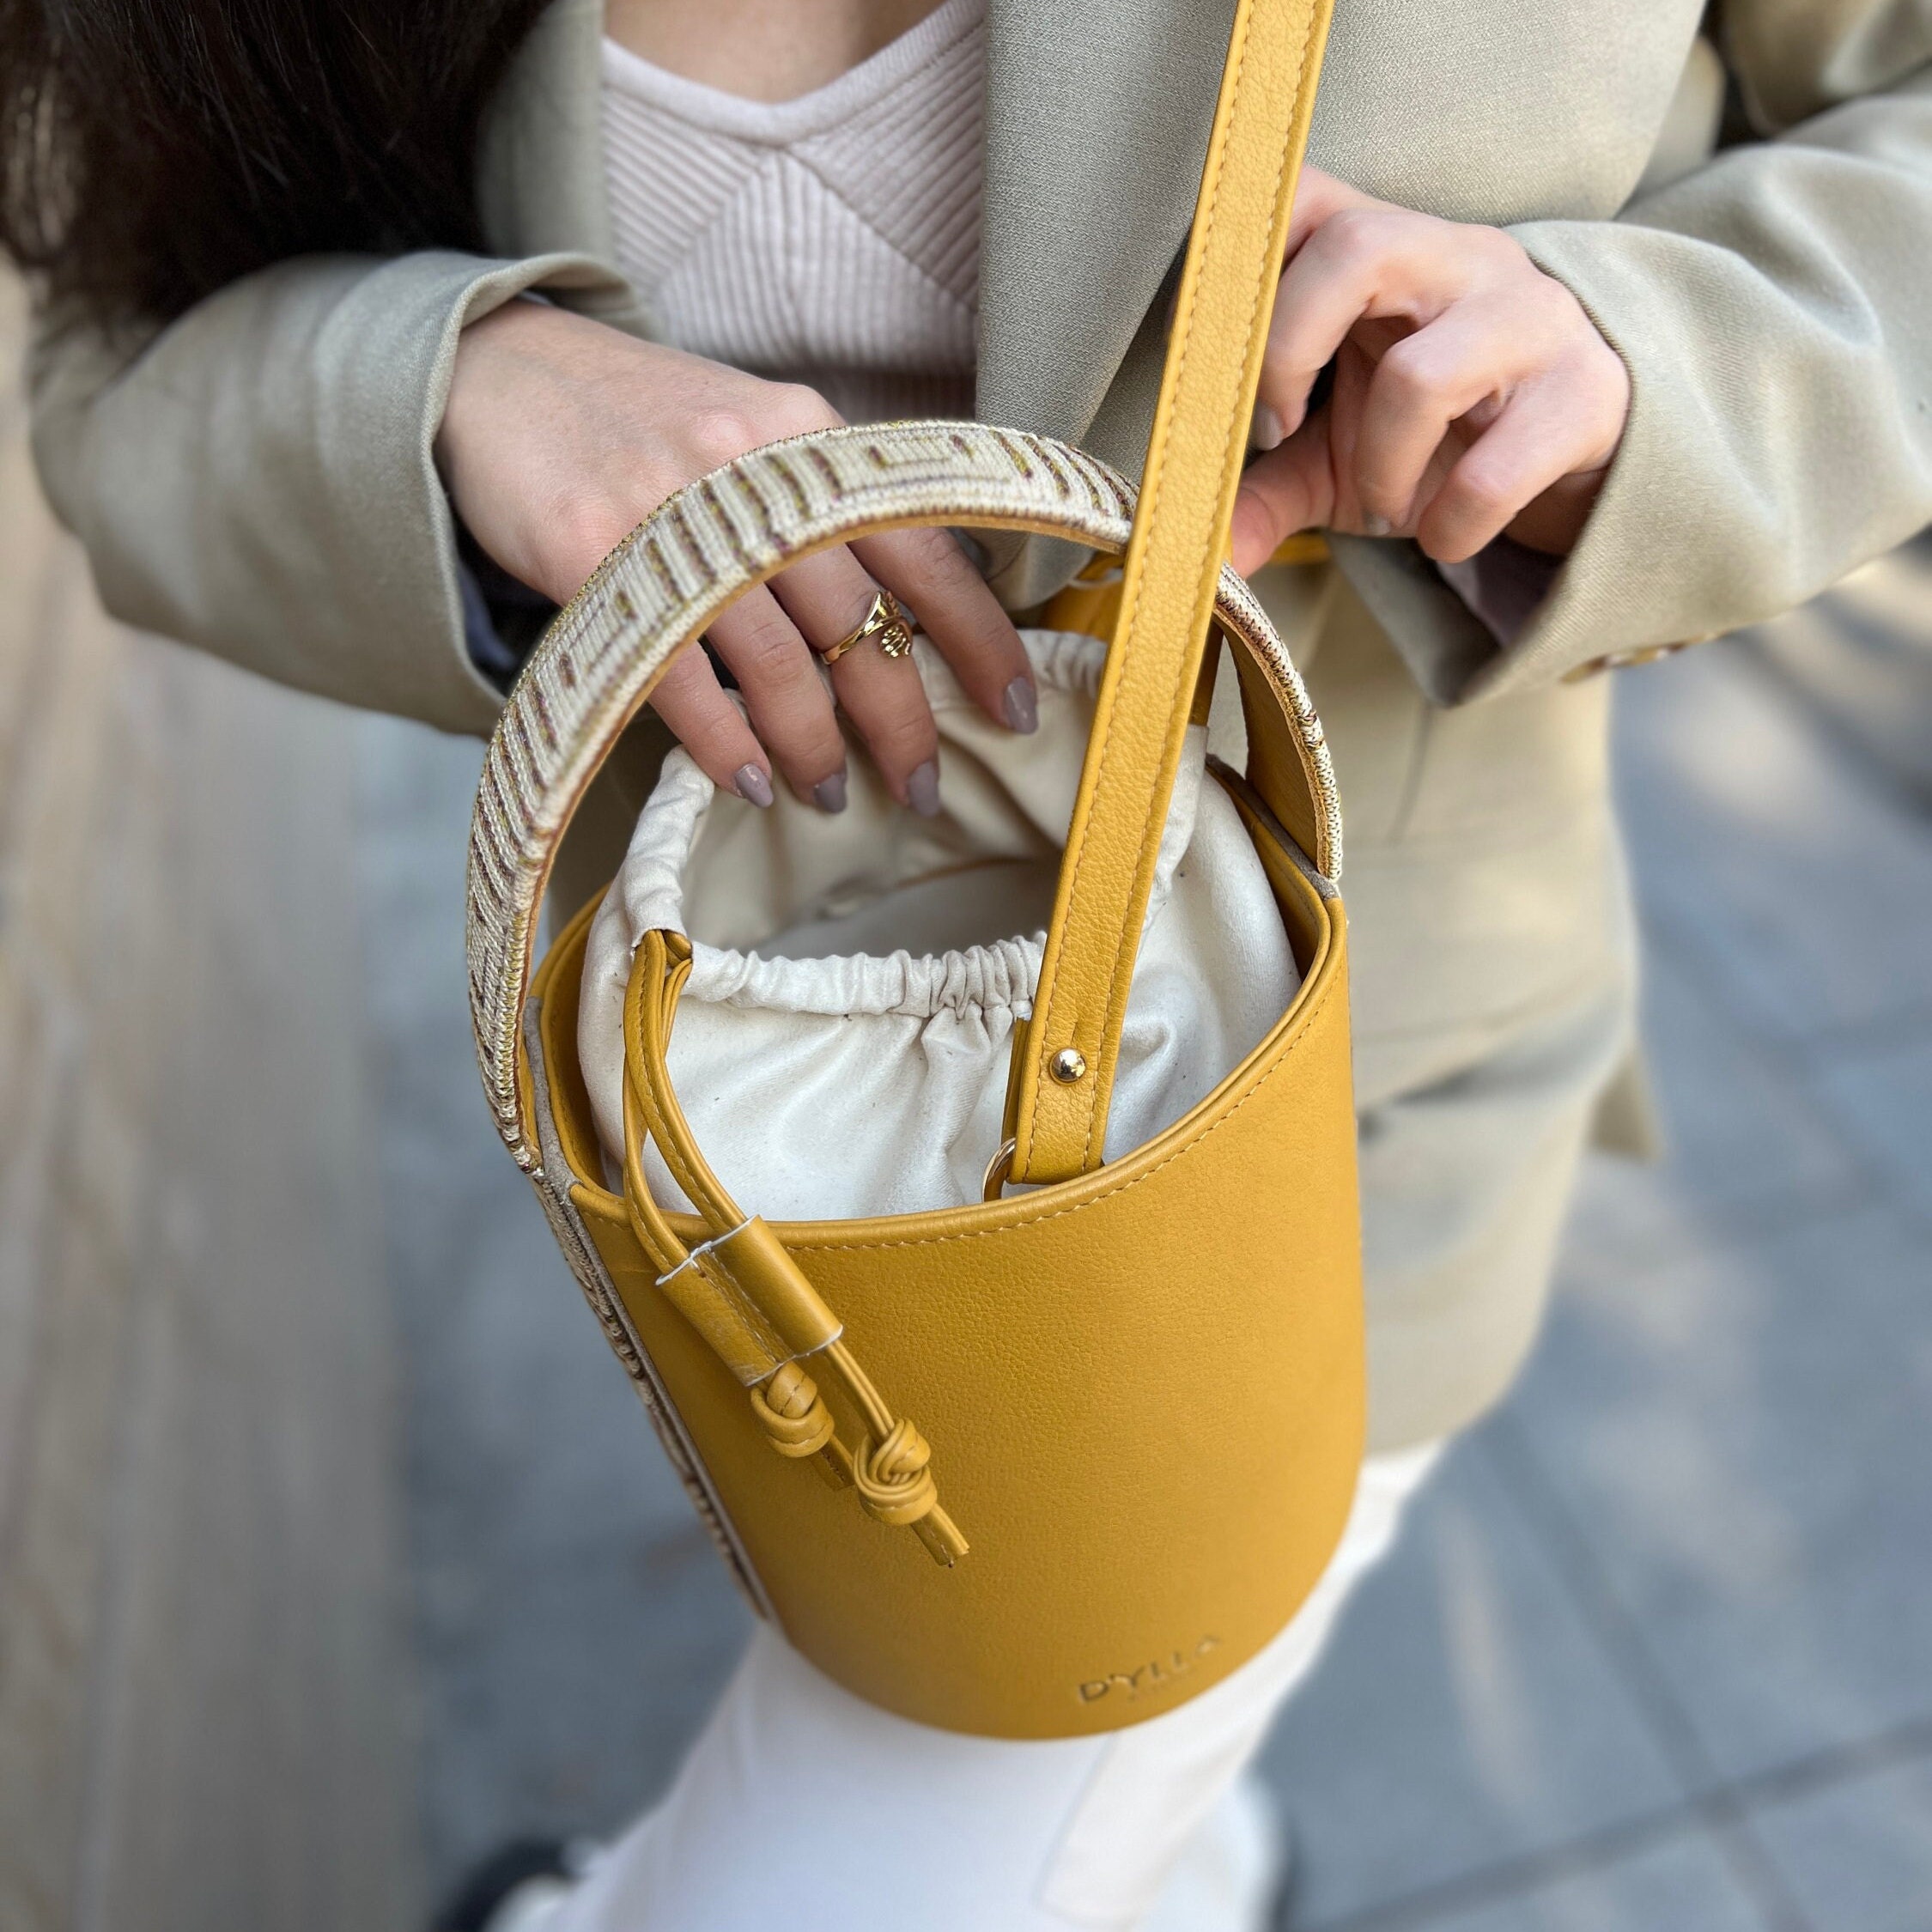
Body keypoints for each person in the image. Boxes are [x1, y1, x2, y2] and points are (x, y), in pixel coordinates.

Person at [6, 1, 1930, 1926]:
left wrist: (1655, 366)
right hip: (744, 1155)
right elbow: (113, 386)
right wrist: (453, 391)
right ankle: (1203, 1867)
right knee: (1060, 1777)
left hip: (1302, 1131)